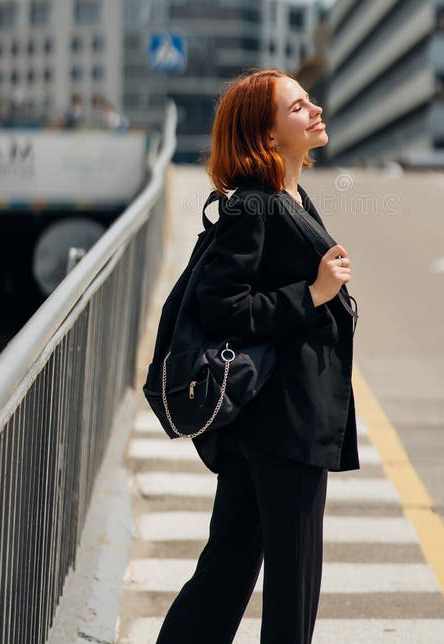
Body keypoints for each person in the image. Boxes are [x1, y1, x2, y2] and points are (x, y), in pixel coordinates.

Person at [155, 68, 360, 644]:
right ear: (269, 137)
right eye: (298, 107)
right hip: (283, 422)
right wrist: (312, 295)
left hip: (269, 421)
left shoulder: (287, 196)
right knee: (292, 590)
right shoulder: (254, 206)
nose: (314, 109)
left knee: (224, 573)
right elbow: (221, 305)